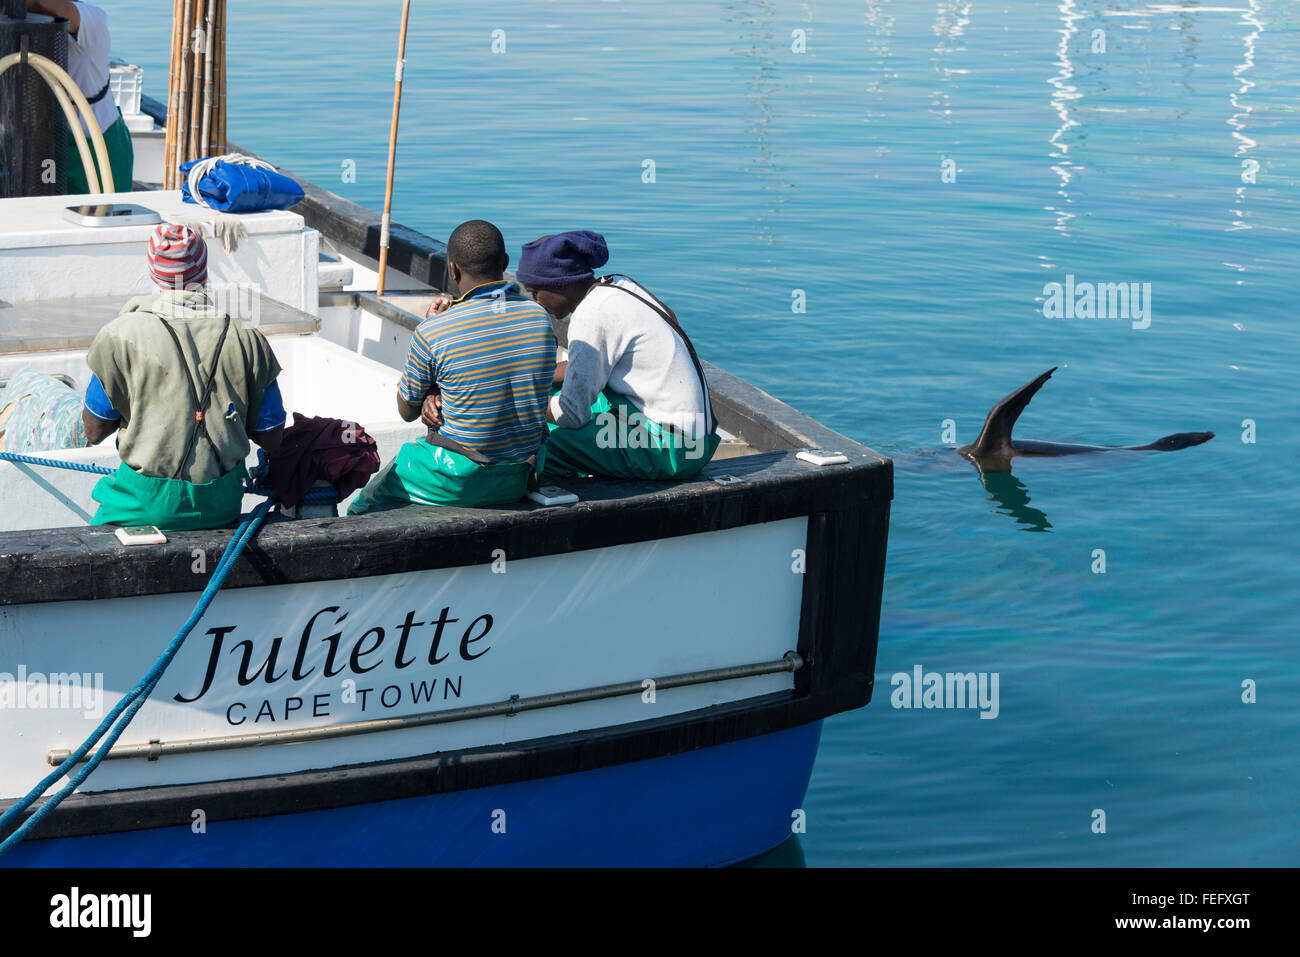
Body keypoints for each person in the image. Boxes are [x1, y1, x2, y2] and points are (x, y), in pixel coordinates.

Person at [82, 222, 284, 530]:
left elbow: (94, 431)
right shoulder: (247, 337)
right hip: (221, 505)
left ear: (153, 272)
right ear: (203, 273)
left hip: (143, 504)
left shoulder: (119, 335)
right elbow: (271, 436)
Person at [347, 220, 556, 513]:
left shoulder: (433, 332)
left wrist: (430, 337)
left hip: (458, 478)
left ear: (453, 269)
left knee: (364, 505)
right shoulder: (539, 318)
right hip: (524, 472)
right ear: (505, 263)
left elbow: (406, 411)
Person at [517, 231, 719, 481]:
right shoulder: (619, 284)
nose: (536, 302)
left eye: (535, 292)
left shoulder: (593, 314)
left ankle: (574, 499)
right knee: (571, 401)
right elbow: (588, 366)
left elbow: (571, 414)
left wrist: (520, 398)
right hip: (699, 439)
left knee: (538, 442)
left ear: (562, 284)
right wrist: (535, 376)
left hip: (671, 450)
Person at [26, 1, 134, 194]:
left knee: (101, 214)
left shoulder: (92, 18)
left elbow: (44, 4)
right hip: (56, 137)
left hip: (97, 139)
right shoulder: (34, 21)